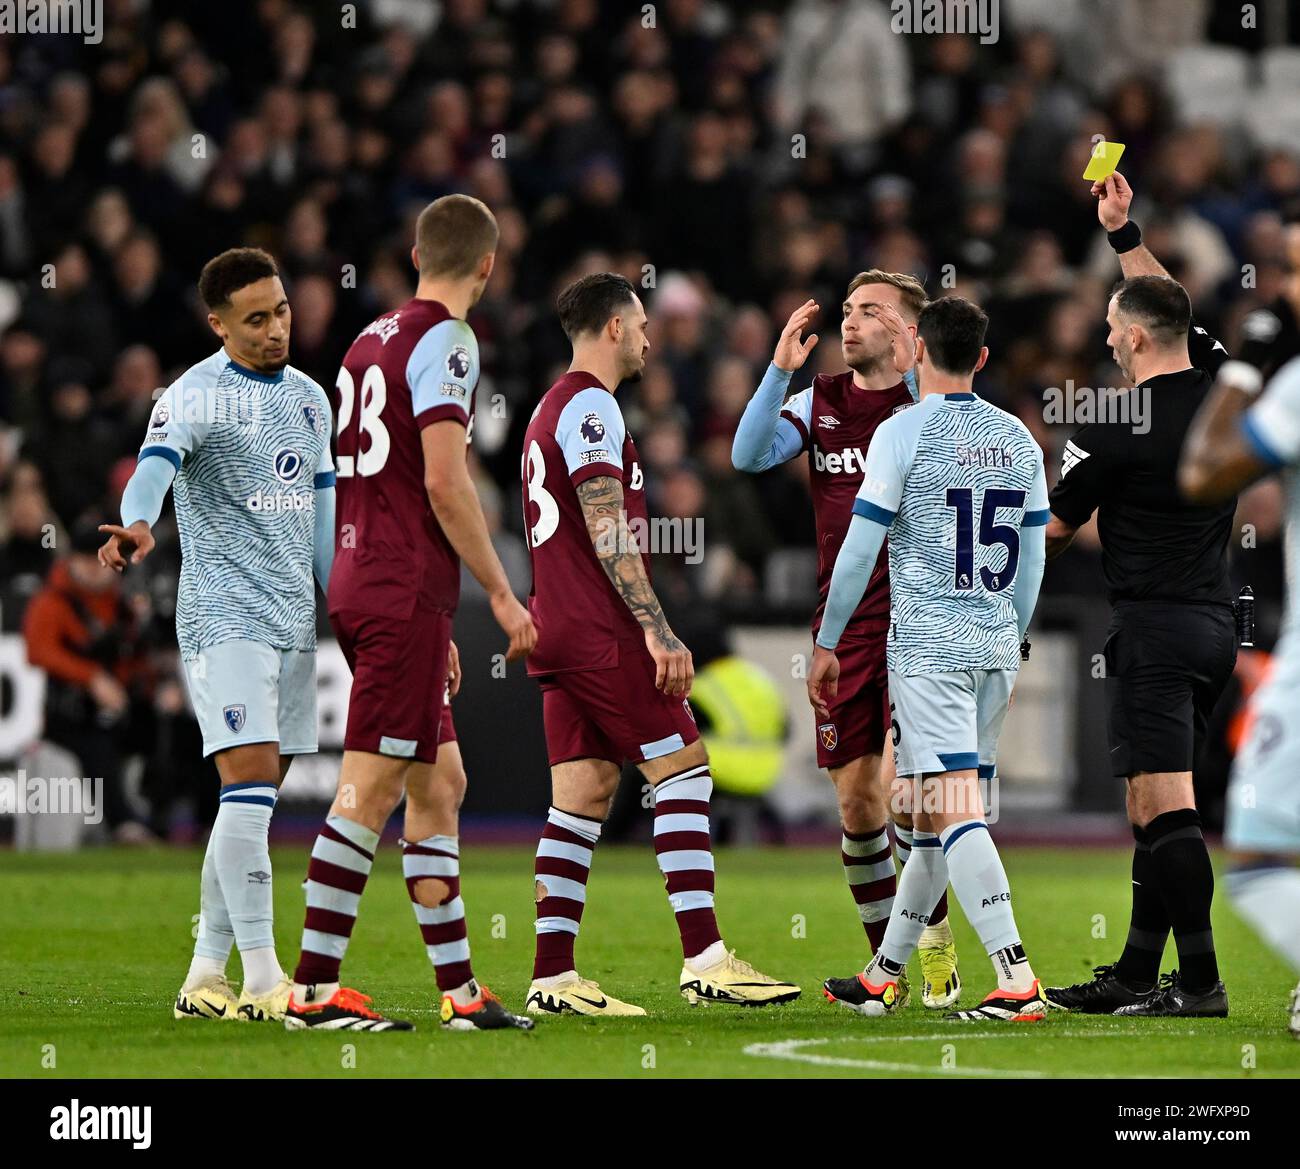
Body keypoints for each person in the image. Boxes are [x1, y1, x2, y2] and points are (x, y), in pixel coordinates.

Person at [284, 194, 536, 1033]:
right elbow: (441, 476)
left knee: (443, 781)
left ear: (418, 253)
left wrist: (433, 614)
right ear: (487, 266)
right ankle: (313, 992)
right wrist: (498, 589)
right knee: (371, 784)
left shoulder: (367, 339)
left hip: (371, 581)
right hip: (397, 586)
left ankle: (462, 993)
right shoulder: (450, 342)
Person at [521, 272, 799, 1015]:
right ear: (613, 328)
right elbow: (606, 520)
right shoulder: (589, 405)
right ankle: (706, 957)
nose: (648, 338)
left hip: (558, 621)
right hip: (598, 626)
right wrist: (655, 625)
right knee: (683, 768)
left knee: (582, 795)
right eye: (640, 324)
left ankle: (552, 975)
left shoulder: (550, 405)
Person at [99, 247, 334, 1023]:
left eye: (282, 312)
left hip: (291, 623)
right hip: (222, 616)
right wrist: (137, 526)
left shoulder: (309, 399)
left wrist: (357, 612)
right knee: (252, 784)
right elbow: (153, 468)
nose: (275, 329)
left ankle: (205, 975)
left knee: (252, 803)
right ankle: (267, 978)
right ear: (219, 324)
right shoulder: (192, 395)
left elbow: (325, 526)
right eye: (256, 319)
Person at [812, 295, 1051, 1022]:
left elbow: (860, 548)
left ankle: (1016, 977)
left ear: (917, 348)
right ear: (981, 358)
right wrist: (1012, 631)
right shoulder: (1018, 439)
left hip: (928, 652)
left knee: (951, 810)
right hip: (993, 648)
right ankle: (885, 971)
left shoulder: (900, 431)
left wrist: (827, 639)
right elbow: (1034, 560)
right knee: (927, 817)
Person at [732, 271, 961, 1010]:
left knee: (908, 794)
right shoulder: (821, 401)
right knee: (859, 806)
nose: (850, 322)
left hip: (921, 617)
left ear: (909, 337)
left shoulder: (930, 408)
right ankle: (882, 971)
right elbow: (747, 454)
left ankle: (934, 945)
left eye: (872, 313)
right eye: (849, 310)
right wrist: (778, 369)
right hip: (845, 622)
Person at [1044, 173, 1235, 1019]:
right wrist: (1123, 234)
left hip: (1152, 628)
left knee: (1167, 808)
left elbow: (1050, 532)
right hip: (1215, 623)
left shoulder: (1108, 427)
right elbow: (1172, 304)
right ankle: (1133, 970)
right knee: (1150, 805)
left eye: (1117, 328)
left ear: (1131, 339)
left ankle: (1199, 984)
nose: (1112, 338)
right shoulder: (1221, 388)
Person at [1179, 353, 1300, 1038]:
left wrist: (1243, 368)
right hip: (1260, 652)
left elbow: (1203, 470)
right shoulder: (1247, 551)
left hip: (1278, 660)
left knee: (1256, 860)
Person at [24, 514, 154, 842]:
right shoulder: (53, 600)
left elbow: (136, 656)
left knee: (164, 729)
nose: (96, 569)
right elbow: (38, 651)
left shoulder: (123, 601)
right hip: (69, 716)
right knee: (99, 747)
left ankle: (180, 819)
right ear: (72, 561)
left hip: (120, 710)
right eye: (88, 560)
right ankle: (125, 826)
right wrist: (92, 678)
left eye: (102, 560)